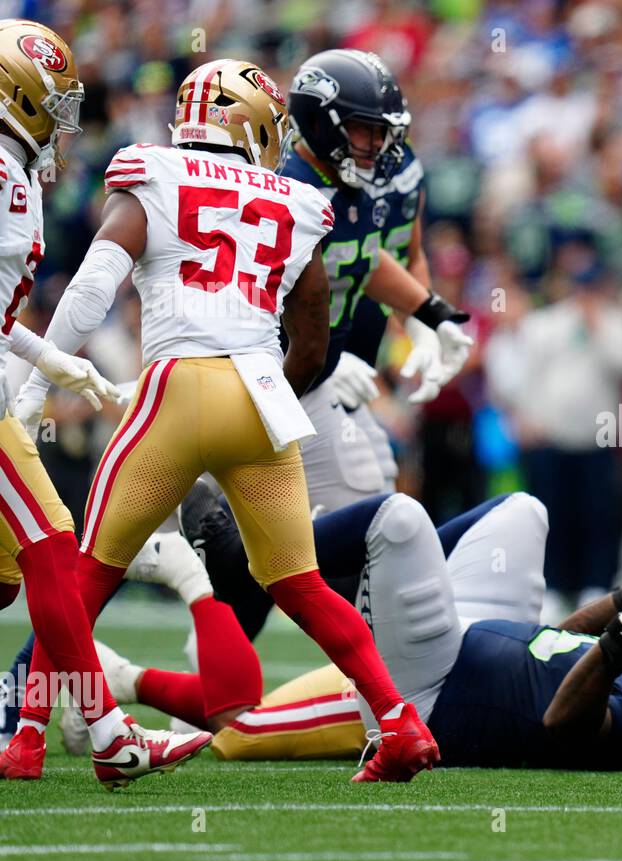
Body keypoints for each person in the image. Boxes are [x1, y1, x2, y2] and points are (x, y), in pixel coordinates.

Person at [8, 58, 437, 784]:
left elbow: (93, 287)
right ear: (259, 124)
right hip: (263, 396)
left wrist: (41, 372)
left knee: (82, 574)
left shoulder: (154, 171)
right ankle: (399, 724)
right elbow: (313, 331)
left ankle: (27, 737)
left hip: (179, 387)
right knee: (300, 582)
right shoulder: (294, 200)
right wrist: (279, 386)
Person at [75, 487, 622, 772]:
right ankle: (361, 578)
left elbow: (563, 719)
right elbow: (563, 644)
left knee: (399, 520)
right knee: (525, 511)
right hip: (483, 630)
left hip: (435, 684)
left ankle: (244, 568)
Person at [0, 18, 211, 790]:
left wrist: (55, 362)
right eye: (50, 105)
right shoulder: (7, 177)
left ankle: (40, 735)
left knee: (15, 576)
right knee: (57, 553)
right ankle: (111, 731)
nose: (59, 123)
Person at [275, 48, 473, 513]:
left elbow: (368, 256)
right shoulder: (287, 189)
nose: (378, 146)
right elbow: (258, 299)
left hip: (318, 370)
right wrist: (311, 355)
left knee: (377, 489)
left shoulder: (358, 178)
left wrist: (432, 315)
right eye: (364, 129)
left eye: (383, 131)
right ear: (320, 123)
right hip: (269, 375)